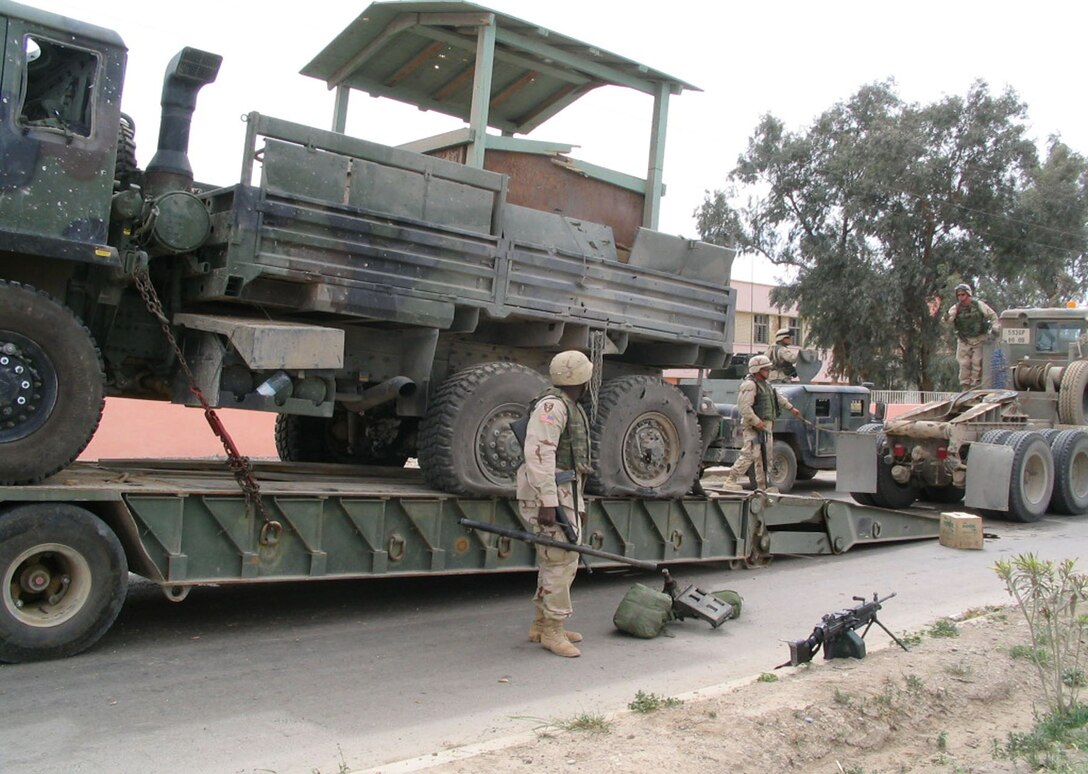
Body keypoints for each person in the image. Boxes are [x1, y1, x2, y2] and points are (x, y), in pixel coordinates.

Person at [516, 350, 594, 658]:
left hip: (562, 491)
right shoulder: (552, 407)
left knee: (558, 560)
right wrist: (548, 502)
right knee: (559, 560)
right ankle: (552, 630)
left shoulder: (565, 405)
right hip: (548, 494)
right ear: (584, 379)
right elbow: (538, 455)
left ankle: (542, 623)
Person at [720, 354, 802, 491]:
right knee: (749, 454)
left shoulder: (766, 385)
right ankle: (731, 480)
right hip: (754, 427)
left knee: (765, 458)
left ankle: (762, 486)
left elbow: (778, 398)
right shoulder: (750, 385)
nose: (768, 371)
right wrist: (757, 422)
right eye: (765, 369)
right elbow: (744, 408)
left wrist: (791, 408)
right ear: (757, 370)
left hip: (765, 426)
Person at [945, 283, 998, 390]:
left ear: (968, 294)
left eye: (963, 295)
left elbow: (993, 316)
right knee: (964, 364)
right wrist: (947, 317)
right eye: (959, 295)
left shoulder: (979, 305)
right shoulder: (956, 308)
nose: (961, 297)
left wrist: (995, 327)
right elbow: (947, 320)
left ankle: (975, 388)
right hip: (964, 340)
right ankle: (965, 387)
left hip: (979, 339)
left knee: (977, 364)